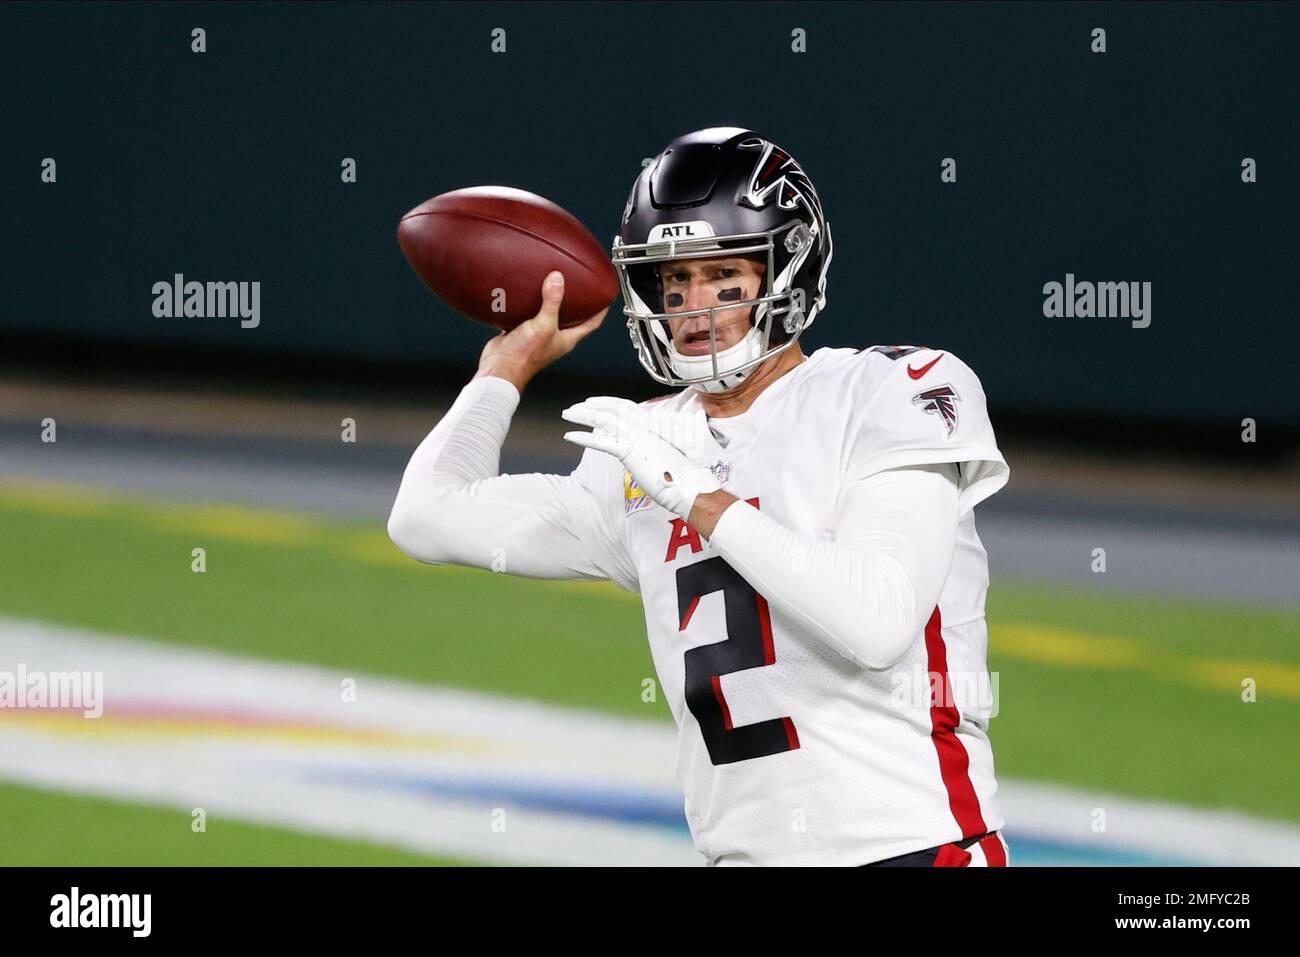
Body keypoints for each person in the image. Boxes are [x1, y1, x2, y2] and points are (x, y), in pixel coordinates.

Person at [388, 127, 1011, 866]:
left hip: (912, 849)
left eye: (726, 279)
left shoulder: (887, 392)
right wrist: (502, 372)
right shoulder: (639, 447)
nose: (694, 308)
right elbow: (425, 514)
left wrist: (691, 492)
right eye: (672, 282)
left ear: (791, 271)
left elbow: (877, 621)